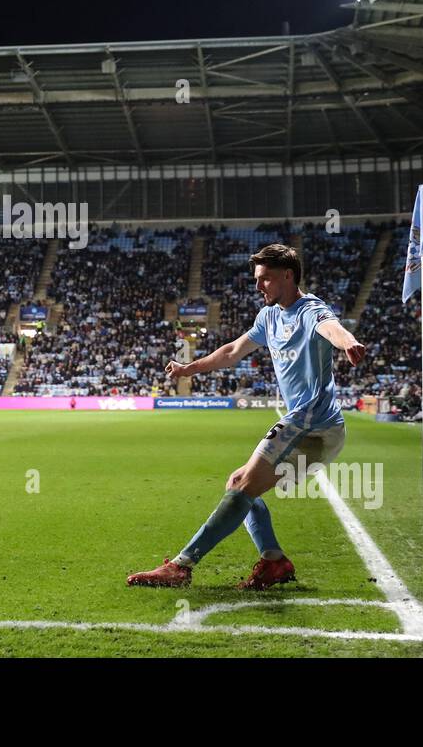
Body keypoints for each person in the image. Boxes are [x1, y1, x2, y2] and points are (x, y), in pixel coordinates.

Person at [126, 243, 366, 591]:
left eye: (265, 279)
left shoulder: (311, 309)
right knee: (238, 483)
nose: (258, 287)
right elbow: (231, 352)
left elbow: (331, 327)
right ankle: (274, 561)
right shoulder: (268, 317)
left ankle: (181, 566)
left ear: (287, 276)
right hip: (306, 425)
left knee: (241, 486)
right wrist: (189, 368)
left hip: (314, 424)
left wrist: (348, 342)